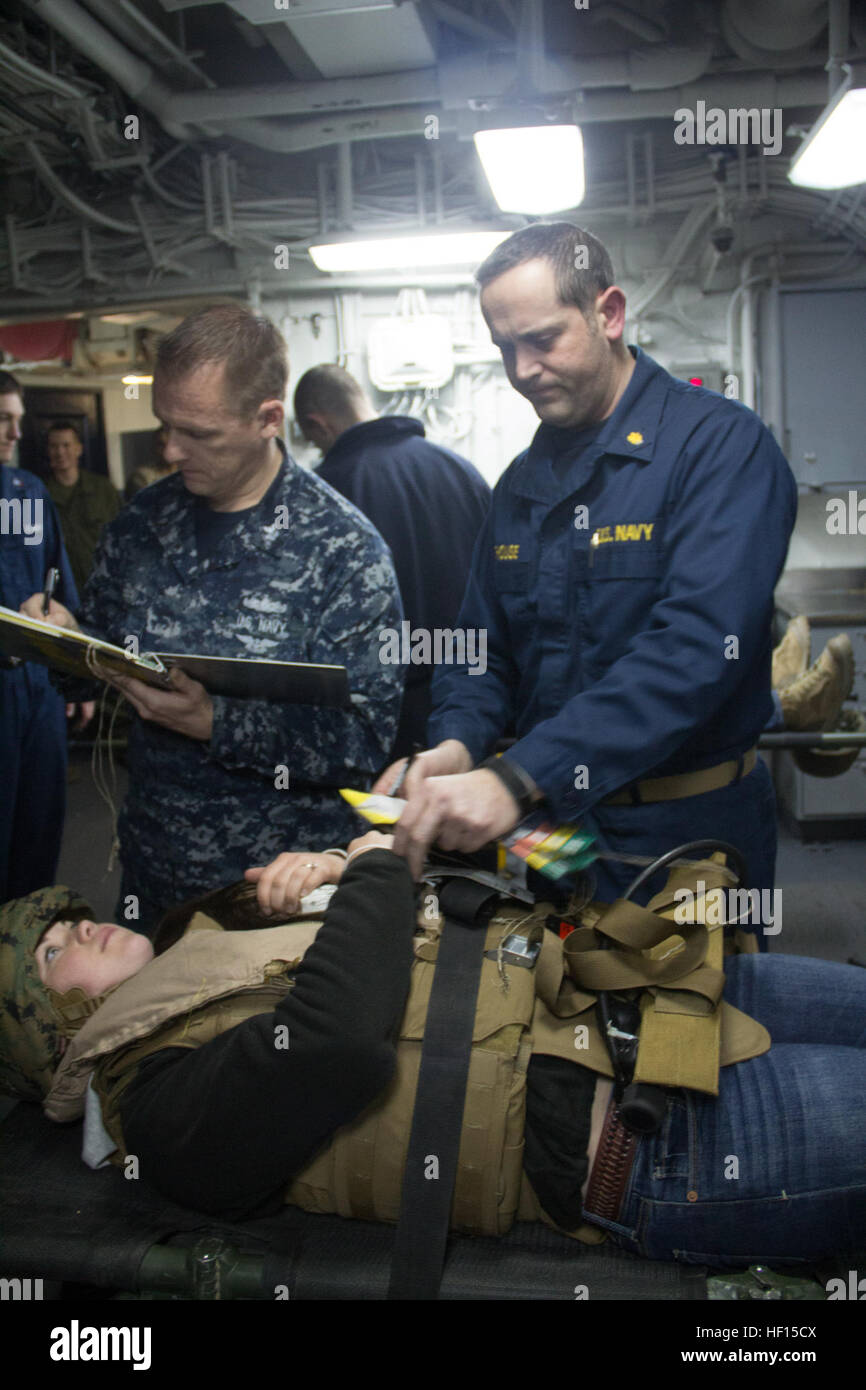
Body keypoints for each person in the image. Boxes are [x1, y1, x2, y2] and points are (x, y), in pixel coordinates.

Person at [1, 837, 865, 1268]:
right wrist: (373, 872)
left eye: (66, 917)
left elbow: (397, 933)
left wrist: (327, 866)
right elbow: (337, 1043)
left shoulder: (206, 944)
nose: (78, 923)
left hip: (648, 985)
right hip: (651, 1136)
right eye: (51, 953)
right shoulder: (154, 1107)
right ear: (55, 1032)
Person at [375, 223, 799, 941]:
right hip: (560, 835)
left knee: (704, 1039)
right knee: (558, 1030)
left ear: (609, 313)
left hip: (685, 833)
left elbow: (694, 651)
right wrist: (454, 745)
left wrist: (515, 777)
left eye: (542, 339)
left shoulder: (720, 448)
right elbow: (480, 652)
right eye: (504, 347)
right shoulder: (519, 484)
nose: (522, 368)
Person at [21, 305, 404, 934]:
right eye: (164, 427)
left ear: (267, 420)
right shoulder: (142, 524)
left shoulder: (343, 549)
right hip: (154, 875)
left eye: (198, 433)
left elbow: (363, 742)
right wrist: (65, 638)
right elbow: (93, 675)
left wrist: (216, 722)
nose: (172, 450)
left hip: (273, 895)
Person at [293, 364, 491, 759]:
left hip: (378, 717)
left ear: (318, 425)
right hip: (475, 706)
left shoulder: (320, 494)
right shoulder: (461, 470)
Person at [0, 371, 90, 903]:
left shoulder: (28, 492)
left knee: (40, 820)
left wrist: (73, 668)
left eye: (17, 419)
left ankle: (25, 948)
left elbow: (60, 588)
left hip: (37, 687)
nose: (15, 432)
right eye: (2, 420)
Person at [44, 420, 121, 596]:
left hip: (105, 587)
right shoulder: (38, 494)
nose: (60, 452)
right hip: (63, 593)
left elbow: (125, 536)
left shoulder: (103, 489)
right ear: (48, 451)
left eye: (66, 445)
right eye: (54, 446)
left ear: (79, 449)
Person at [124, 427, 176, 501]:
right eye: (161, 445)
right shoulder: (142, 477)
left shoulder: (190, 474)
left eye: (172, 445)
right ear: (154, 448)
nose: (168, 450)